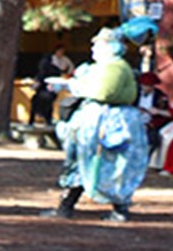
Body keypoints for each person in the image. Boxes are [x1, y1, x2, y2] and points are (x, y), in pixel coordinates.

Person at [42, 26, 150, 221]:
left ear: (111, 46)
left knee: (112, 166)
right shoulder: (101, 67)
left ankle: (119, 209)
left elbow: (104, 92)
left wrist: (73, 86)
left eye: (98, 45)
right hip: (92, 123)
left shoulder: (116, 67)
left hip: (110, 125)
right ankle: (66, 206)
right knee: (78, 163)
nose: (93, 49)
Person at [31, 43, 70, 124]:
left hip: (50, 86)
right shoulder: (50, 62)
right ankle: (47, 119)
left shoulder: (63, 60)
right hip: (46, 88)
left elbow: (69, 68)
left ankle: (43, 119)